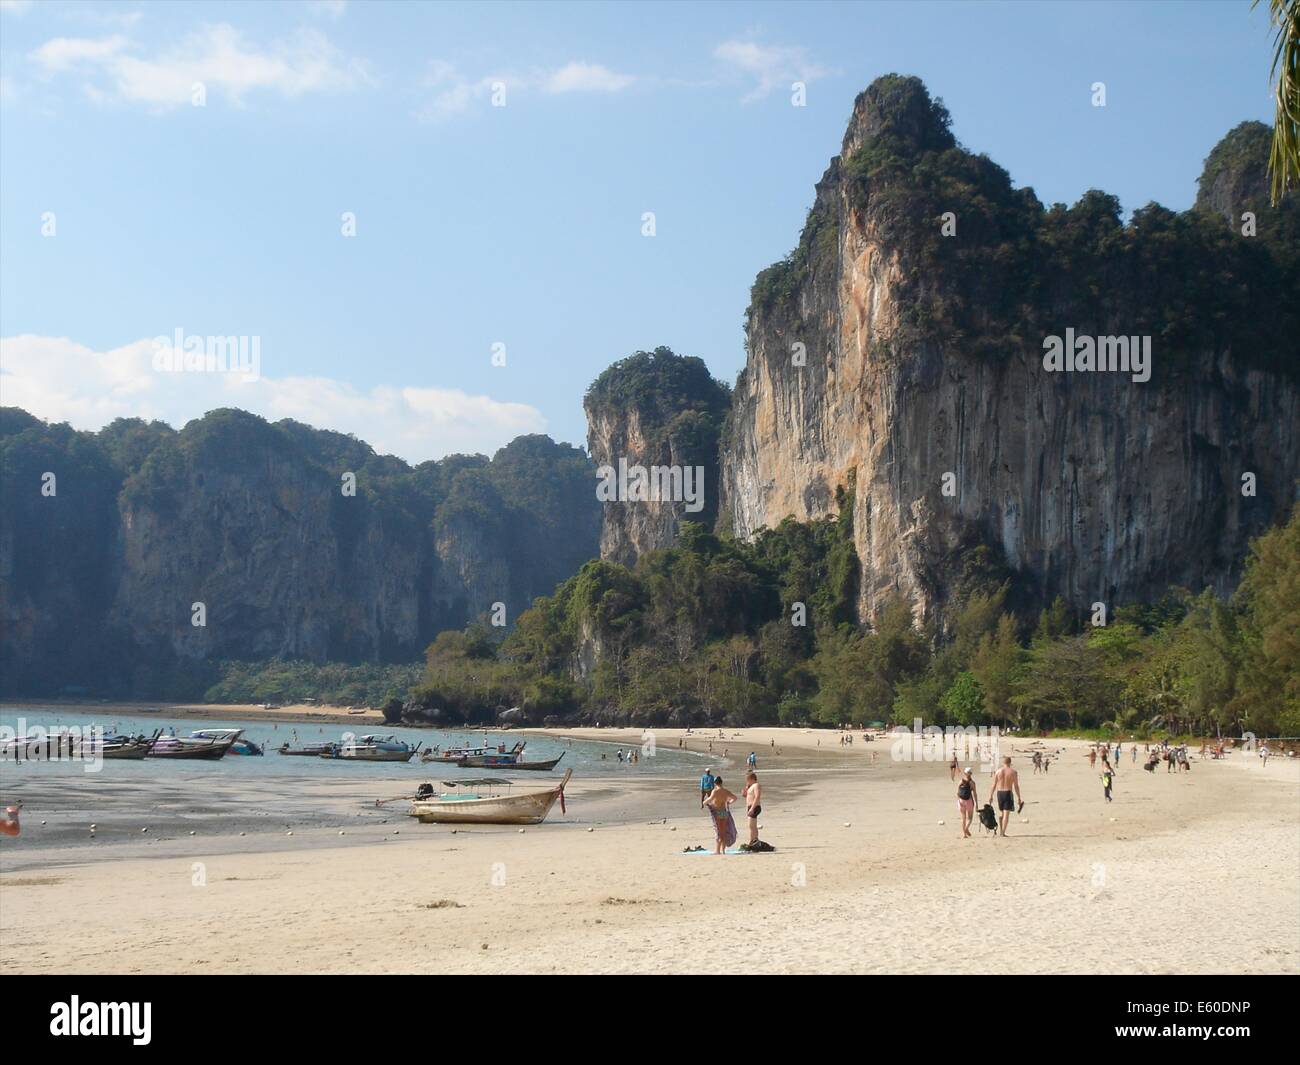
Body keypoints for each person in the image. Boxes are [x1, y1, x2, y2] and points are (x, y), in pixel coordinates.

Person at [704, 776, 739, 854]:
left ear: (715, 783)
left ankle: (717, 851)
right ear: (721, 782)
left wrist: (704, 803)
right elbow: (735, 798)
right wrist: (729, 802)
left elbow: (710, 799)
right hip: (724, 812)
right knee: (724, 832)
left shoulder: (715, 791)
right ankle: (723, 850)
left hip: (717, 812)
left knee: (719, 832)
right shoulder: (725, 791)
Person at [990, 757, 1021, 837]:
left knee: (1002, 813)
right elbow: (1016, 786)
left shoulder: (998, 771)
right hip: (1007, 792)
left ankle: (1001, 831)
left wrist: (991, 795)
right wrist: (1019, 797)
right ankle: (1002, 832)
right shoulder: (1013, 772)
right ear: (1010, 762)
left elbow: (994, 784)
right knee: (1006, 814)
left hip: (999, 793)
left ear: (1003, 763)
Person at [956, 767, 978, 839]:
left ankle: (964, 834)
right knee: (970, 818)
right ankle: (965, 829)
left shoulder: (961, 781)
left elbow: (957, 792)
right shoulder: (972, 783)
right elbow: (975, 794)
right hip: (969, 801)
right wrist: (976, 803)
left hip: (961, 801)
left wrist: (958, 800)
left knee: (963, 818)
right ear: (971, 774)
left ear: (965, 773)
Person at [743, 771, 762, 845]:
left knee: (751, 826)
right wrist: (745, 790)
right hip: (750, 806)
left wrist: (752, 808)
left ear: (752, 779)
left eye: (748, 780)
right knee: (753, 826)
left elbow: (757, 796)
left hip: (754, 806)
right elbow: (747, 796)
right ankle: (755, 840)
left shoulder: (756, 785)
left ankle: (752, 841)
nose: (747, 781)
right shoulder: (750, 787)